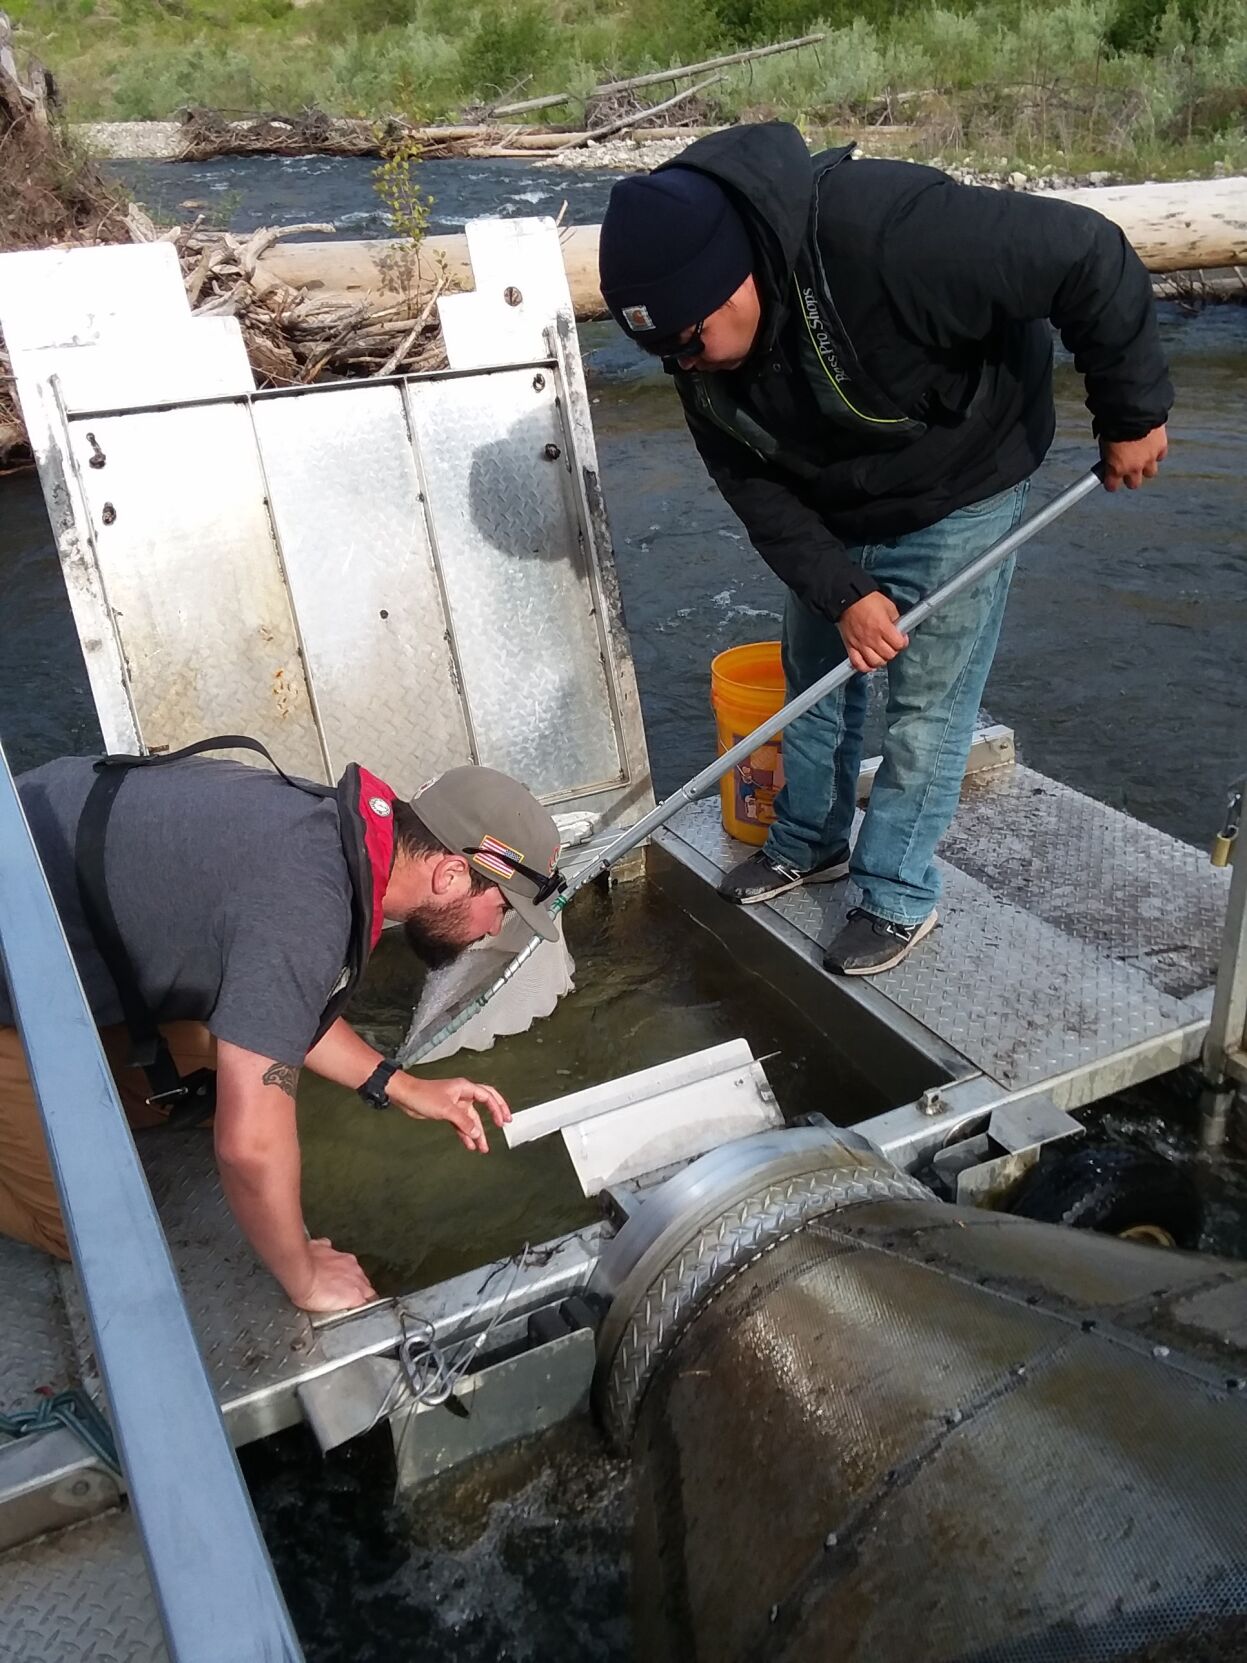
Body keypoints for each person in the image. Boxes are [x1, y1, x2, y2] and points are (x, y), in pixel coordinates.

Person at [599, 122, 1171, 976]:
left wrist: (1129, 413)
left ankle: (896, 893)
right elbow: (749, 483)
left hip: (961, 476)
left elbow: (1087, 252)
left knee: (925, 707)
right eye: (659, 351)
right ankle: (808, 840)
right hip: (833, 496)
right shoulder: (693, 352)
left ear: (737, 278)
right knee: (816, 681)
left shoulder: (887, 232)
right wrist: (840, 588)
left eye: (688, 340)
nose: (682, 365)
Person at [0, 744, 565, 1312]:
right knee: (98, 1236)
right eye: (503, 908)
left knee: (212, 1074)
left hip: (35, 913)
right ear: (449, 874)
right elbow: (248, 1148)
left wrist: (400, 1086)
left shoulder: (327, 833)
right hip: (13, 970)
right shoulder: (307, 906)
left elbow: (281, 1001)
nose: (495, 930)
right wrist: (304, 1272)